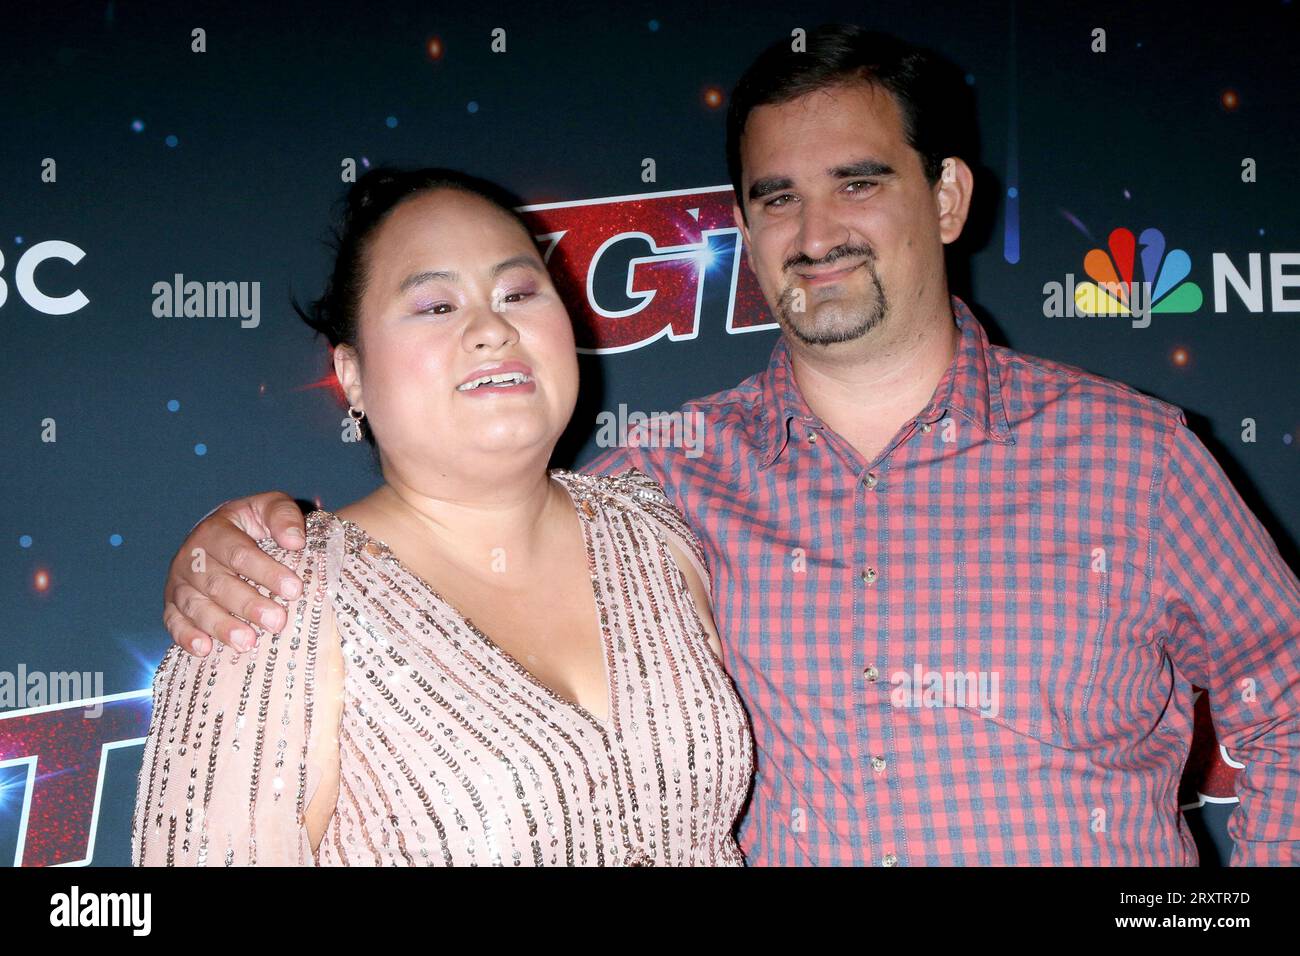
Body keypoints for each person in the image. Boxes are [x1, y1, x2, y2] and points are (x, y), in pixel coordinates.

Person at [159, 26, 1300, 866]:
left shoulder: (1134, 460)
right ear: (743, 227)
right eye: (776, 198)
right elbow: (446, 510)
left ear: (947, 198)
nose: (816, 235)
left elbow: (1288, 687)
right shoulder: (663, 487)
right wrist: (237, 536)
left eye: (858, 183)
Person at [133, 168, 755, 866]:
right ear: (353, 375)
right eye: (435, 306)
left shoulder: (652, 536)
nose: (492, 328)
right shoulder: (272, 596)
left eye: (520, 293)